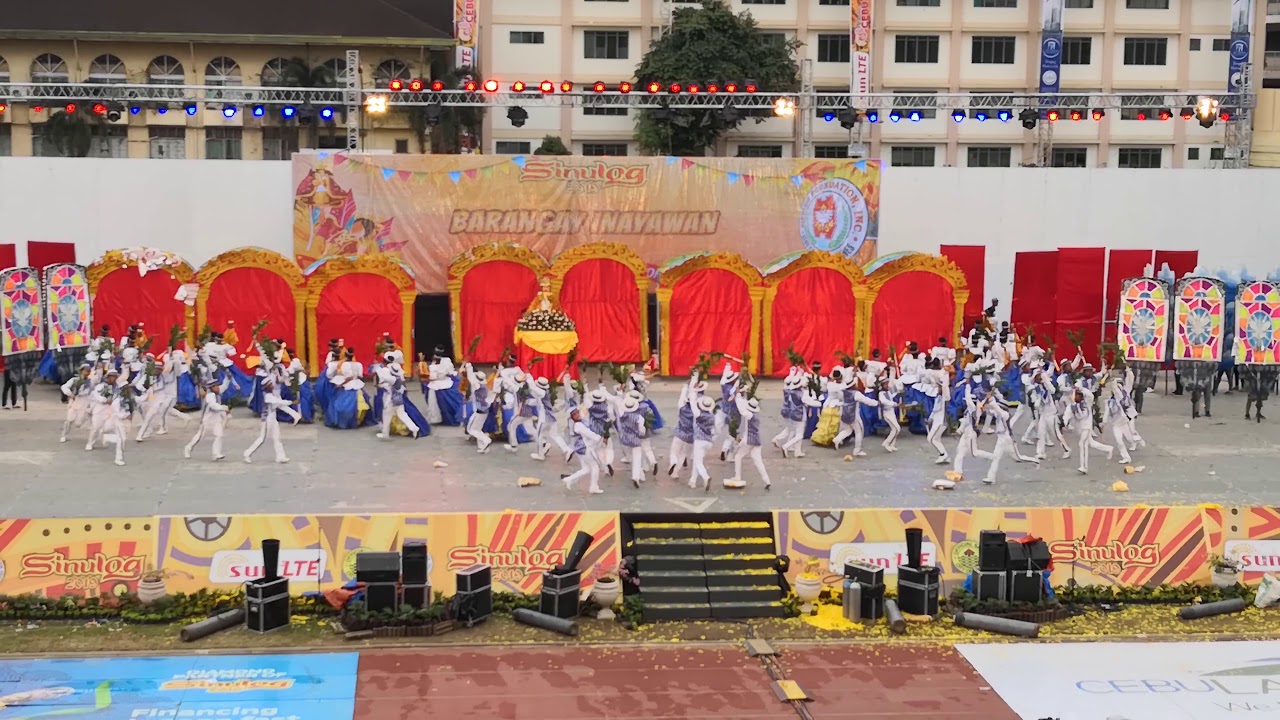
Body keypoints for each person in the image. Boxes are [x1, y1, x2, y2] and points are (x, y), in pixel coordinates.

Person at [245, 359, 301, 463]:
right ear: (267, 387)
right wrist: (291, 402)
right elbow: (279, 402)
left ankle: (280, 456)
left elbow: (279, 403)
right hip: (266, 420)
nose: (272, 386)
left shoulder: (270, 395)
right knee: (261, 439)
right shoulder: (268, 397)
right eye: (270, 385)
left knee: (277, 437)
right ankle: (247, 453)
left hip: (272, 418)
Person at [980, 399, 1039, 485]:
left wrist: (992, 400)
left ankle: (1034, 460)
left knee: (1018, 458)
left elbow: (996, 409)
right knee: (996, 458)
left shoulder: (1005, 415)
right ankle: (991, 478)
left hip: (1007, 439)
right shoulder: (999, 414)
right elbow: (990, 411)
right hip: (1000, 439)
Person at [373, 352, 425, 439]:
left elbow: (382, 380)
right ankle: (414, 428)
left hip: (390, 397)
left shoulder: (386, 373)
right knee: (402, 414)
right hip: (399, 396)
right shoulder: (397, 371)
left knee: (386, 414)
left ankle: (385, 433)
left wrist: (378, 369)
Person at [728, 393, 771, 490]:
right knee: (758, 460)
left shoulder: (750, 415)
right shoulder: (756, 415)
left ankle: (737, 476)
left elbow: (741, 410)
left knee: (738, 456)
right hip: (757, 440)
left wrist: (737, 396)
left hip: (749, 440)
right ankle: (767, 480)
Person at [86, 367, 127, 466]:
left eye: (114, 376)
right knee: (95, 427)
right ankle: (90, 442)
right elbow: (95, 394)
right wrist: (104, 400)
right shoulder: (101, 386)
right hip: (100, 409)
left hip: (111, 411)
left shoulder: (118, 388)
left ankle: (105, 436)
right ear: (108, 377)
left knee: (109, 428)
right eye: (111, 376)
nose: (112, 378)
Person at [184, 378, 230, 461]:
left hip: (216, 420)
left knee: (219, 435)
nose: (218, 387)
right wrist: (223, 408)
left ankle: (216, 454)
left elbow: (224, 386)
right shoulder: (210, 396)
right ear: (211, 388)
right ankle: (188, 448)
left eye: (218, 385)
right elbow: (213, 405)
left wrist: (228, 378)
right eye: (216, 386)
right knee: (199, 437)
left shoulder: (218, 392)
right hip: (207, 420)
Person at [1070, 385, 1113, 474]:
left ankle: (1084, 466)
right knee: (1091, 443)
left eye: (1078, 395)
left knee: (1082, 444)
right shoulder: (1074, 405)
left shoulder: (1087, 402)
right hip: (1081, 428)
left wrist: (1081, 388)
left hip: (1087, 427)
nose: (1076, 396)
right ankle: (1109, 449)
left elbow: (1091, 395)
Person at [561, 408, 605, 495]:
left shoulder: (579, 422)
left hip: (581, 448)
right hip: (585, 448)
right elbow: (589, 433)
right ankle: (593, 487)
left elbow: (584, 411)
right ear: (572, 417)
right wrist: (600, 438)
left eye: (577, 413)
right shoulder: (578, 425)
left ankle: (568, 479)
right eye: (575, 414)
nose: (578, 414)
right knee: (595, 466)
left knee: (586, 469)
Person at [667, 376, 700, 478]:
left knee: (674, 451)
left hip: (680, 433)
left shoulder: (682, 407)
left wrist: (685, 387)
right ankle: (675, 472)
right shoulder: (696, 412)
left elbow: (681, 398)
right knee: (683, 454)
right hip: (690, 436)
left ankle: (673, 462)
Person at [424, 346, 462, 426]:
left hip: (441, 384)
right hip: (439, 384)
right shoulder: (436, 364)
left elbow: (434, 376)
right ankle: (437, 418)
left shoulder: (438, 364)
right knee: (435, 403)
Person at [617, 395, 650, 488]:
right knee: (637, 459)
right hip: (635, 440)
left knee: (630, 458)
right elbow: (642, 431)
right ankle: (636, 477)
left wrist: (620, 394)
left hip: (625, 439)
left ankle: (641, 475)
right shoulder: (639, 418)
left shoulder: (622, 414)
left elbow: (619, 406)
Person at [59, 363, 95, 443]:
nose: (87, 372)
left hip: (84, 402)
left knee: (78, 423)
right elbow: (64, 387)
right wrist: (70, 394)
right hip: (75, 401)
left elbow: (92, 392)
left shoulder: (90, 382)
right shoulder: (74, 380)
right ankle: (63, 435)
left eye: (88, 371)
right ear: (81, 371)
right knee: (69, 419)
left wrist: (91, 403)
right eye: (85, 370)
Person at [463, 363, 494, 452]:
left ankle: (486, 440)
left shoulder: (478, 386)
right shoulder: (484, 387)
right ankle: (482, 447)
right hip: (485, 410)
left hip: (480, 410)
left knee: (471, 429)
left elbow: (470, 378)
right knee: (478, 429)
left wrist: (468, 365)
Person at [689, 394, 717, 491]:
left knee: (698, 461)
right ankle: (692, 481)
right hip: (708, 441)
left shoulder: (698, 414)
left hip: (699, 440)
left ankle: (706, 477)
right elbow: (715, 430)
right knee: (697, 460)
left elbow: (692, 404)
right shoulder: (712, 417)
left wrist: (693, 390)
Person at [878, 376, 903, 453]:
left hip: (892, 412)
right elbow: (884, 401)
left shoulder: (888, 391)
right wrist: (895, 404)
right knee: (897, 428)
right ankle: (887, 442)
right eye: (885, 384)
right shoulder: (881, 393)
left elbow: (892, 395)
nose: (887, 385)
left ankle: (892, 444)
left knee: (894, 429)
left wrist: (899, 392)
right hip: (887, 413)